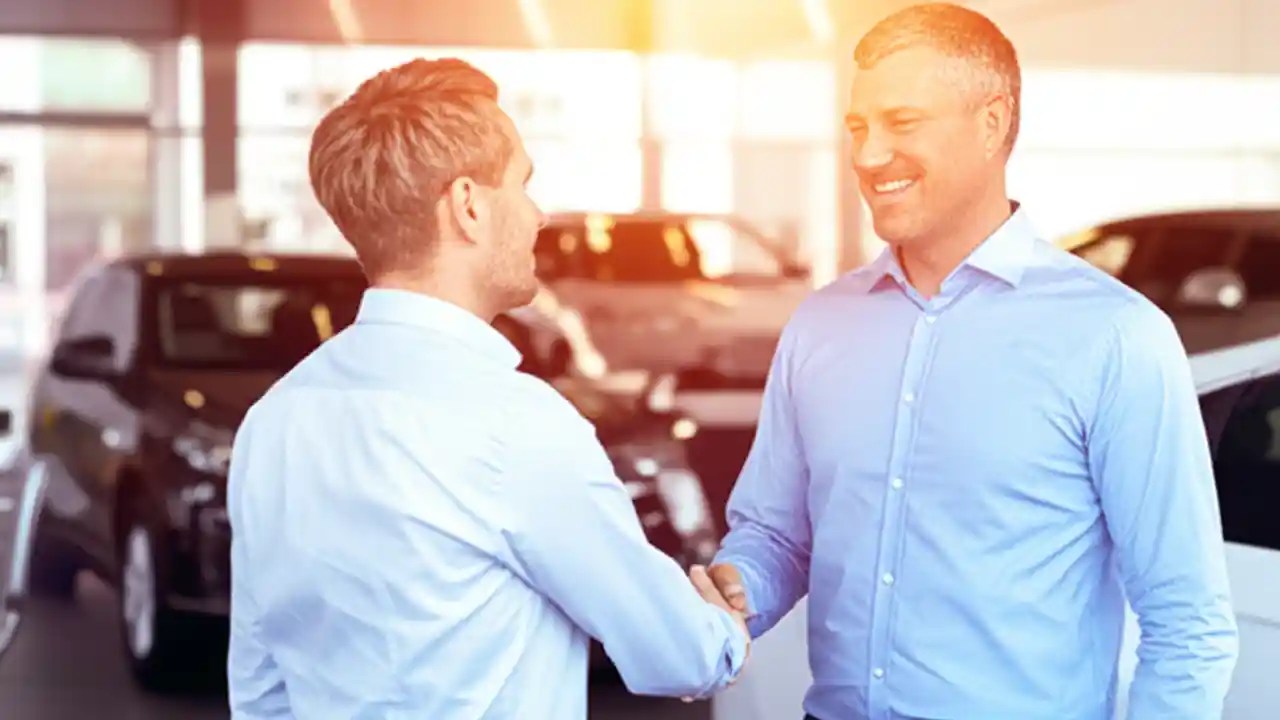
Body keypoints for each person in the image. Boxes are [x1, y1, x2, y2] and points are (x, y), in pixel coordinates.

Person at [704, 4, 1238, 719]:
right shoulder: (820, 326)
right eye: (858, 128)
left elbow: (1188, 623)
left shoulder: (1114, 337)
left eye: (903, 123)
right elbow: (777, 534)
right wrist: (737, 588)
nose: (866, 157)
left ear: (991, 124)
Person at [226, 57, 749, 719]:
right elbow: (681, 657)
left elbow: (261, 686)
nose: (537, 215)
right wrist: (719, 625)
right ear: (469, 207)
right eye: (523, 185)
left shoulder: (275, 420)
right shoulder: (516, 425)